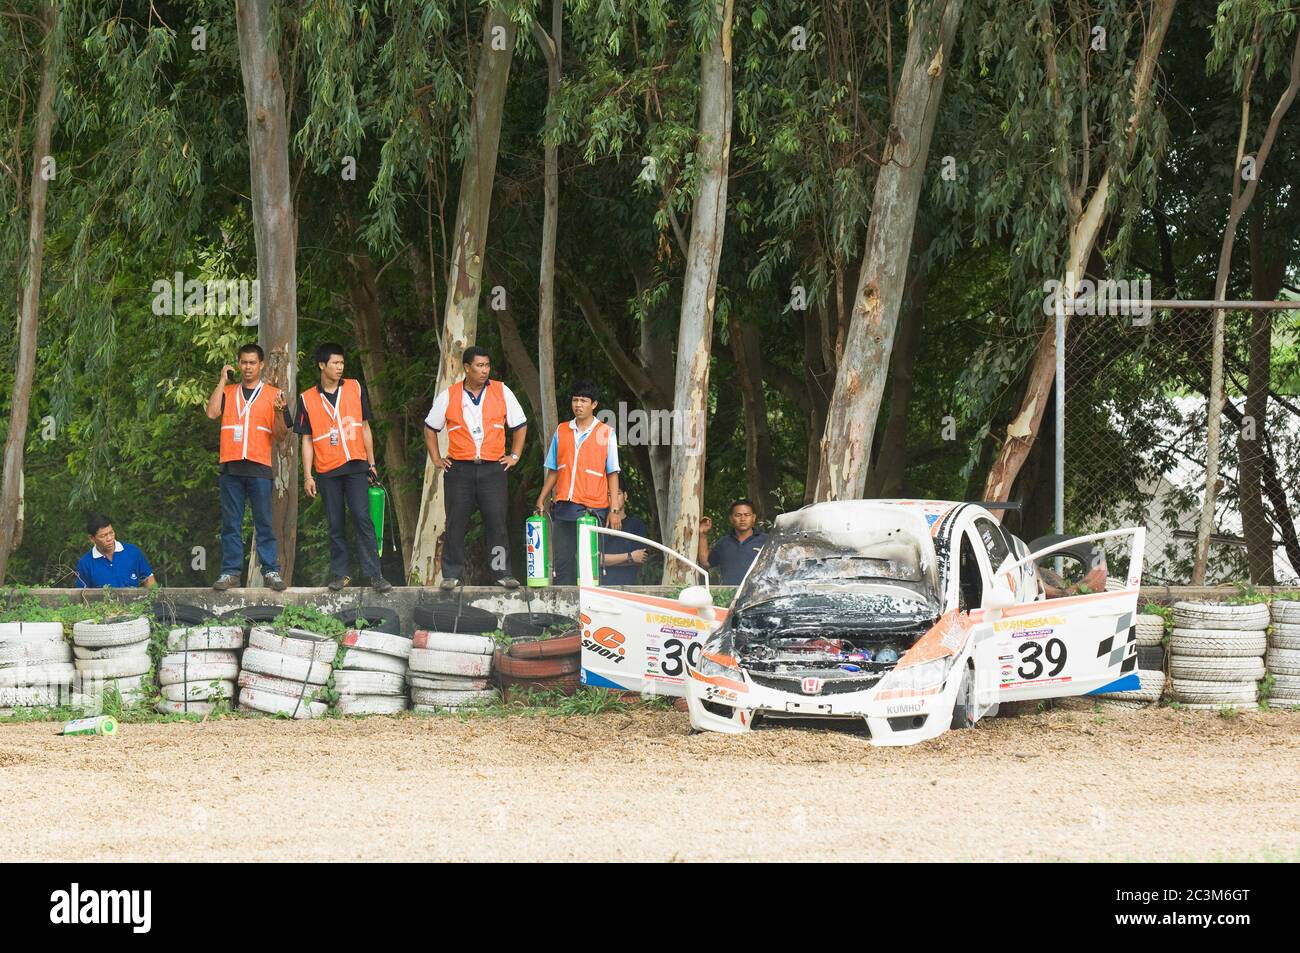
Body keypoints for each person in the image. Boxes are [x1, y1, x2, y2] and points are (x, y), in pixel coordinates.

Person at [423, 346, 527, 590]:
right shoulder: (449, 395)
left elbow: (520, 425)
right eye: (479, 366)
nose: (484, 370)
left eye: (487, 365)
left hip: (493, 468)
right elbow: (430, 428)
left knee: (497, 523)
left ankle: (502, 573)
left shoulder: (501, 391)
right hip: (459, 469)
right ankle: (451, 574)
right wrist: (437, 458)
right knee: (456, 522)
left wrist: (514, 455)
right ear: (466, 368)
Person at [295, 343, 392, 592]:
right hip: (327, 469)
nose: (340, 367)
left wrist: (371, 463)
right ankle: (341, 574)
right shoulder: (306, 398)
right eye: (335, 363)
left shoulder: (355, 387)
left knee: (362, 518)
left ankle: (375, 575)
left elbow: (364, 426)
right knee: (335, 523)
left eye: (342, 363)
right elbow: (306, 439)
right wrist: (307, 475)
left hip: (356, 464)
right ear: (321, 365)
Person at [205, 343, 292, 591]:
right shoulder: (230, 391)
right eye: (243, 362)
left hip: (259, 466)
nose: (247, 367)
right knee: (231, 523)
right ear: (238, 364)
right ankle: (230, 572)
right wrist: (222, 380)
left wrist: (277, 412)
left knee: (264, 522)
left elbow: (282, 435)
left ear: (261, 365)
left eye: (252, 363)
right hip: (231, 466)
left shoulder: (274, 394)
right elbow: (212, 413)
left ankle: (271, 571)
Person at [534, 380, 623, 585]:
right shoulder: (562, 430)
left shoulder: (605, 432)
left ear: (594, 404)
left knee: (588, 564)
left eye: (583, 400)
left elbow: (612, 473)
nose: (578, 405)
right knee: (562, 561)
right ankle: (562, 614)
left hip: (592, 507)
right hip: (564, 505)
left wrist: (614, 509)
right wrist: (542, 498)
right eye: (575, 400)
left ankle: (589, 611)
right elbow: (554, 469)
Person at [697, 498, 769, 586]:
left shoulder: (766, 541)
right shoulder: (724, 543)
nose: (742, 518)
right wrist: (703, 534)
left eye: (747, 515)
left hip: (759, 595)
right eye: (738, 515)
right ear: (731, 518)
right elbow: (706, 563)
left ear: (753, 518)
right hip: (730, 595)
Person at [74, 514, 157, 588]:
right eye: (103, 536)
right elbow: (82, 594)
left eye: (111, 532)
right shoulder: (85, 563)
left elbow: (148, 578)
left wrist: (153, 602)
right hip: (102, 605)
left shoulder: (132, 552)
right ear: (92, 538)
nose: (110, 538)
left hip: (134, 604)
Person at [599, 487, 651, 586]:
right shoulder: (599, 524)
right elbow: (595, 560)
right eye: (609, 495)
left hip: (630, 589)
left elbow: (640, 558)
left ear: (625, 496)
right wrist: (630, 556)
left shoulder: (637, 525)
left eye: (617, 494)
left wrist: (606, 560)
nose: (614, 499)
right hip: (601, 588)